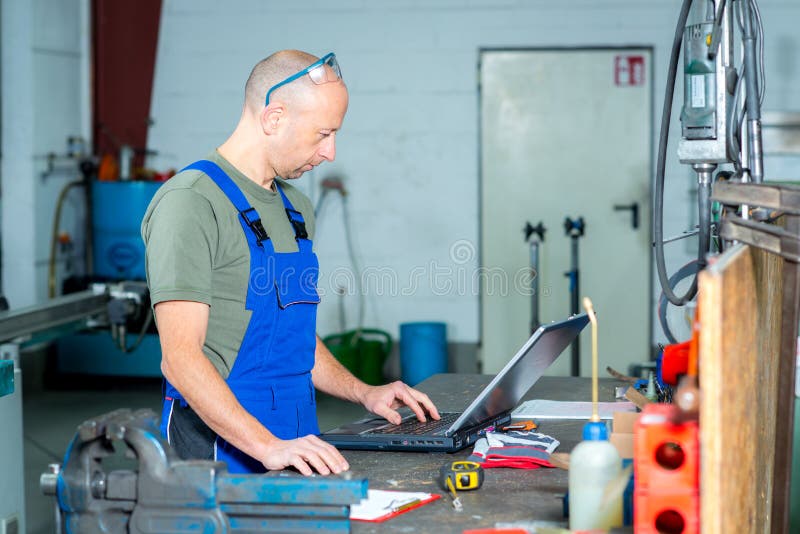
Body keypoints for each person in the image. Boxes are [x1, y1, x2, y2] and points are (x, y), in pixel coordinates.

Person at [141, 50, 440, 475]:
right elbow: (180, 360)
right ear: (274, 118)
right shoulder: (190, 203)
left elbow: (294, 337)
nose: (331, 151)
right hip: (220, 447)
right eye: (323, 134)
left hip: (297, 433)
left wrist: (364, 392)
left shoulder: (295, 209)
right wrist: (266, 447)